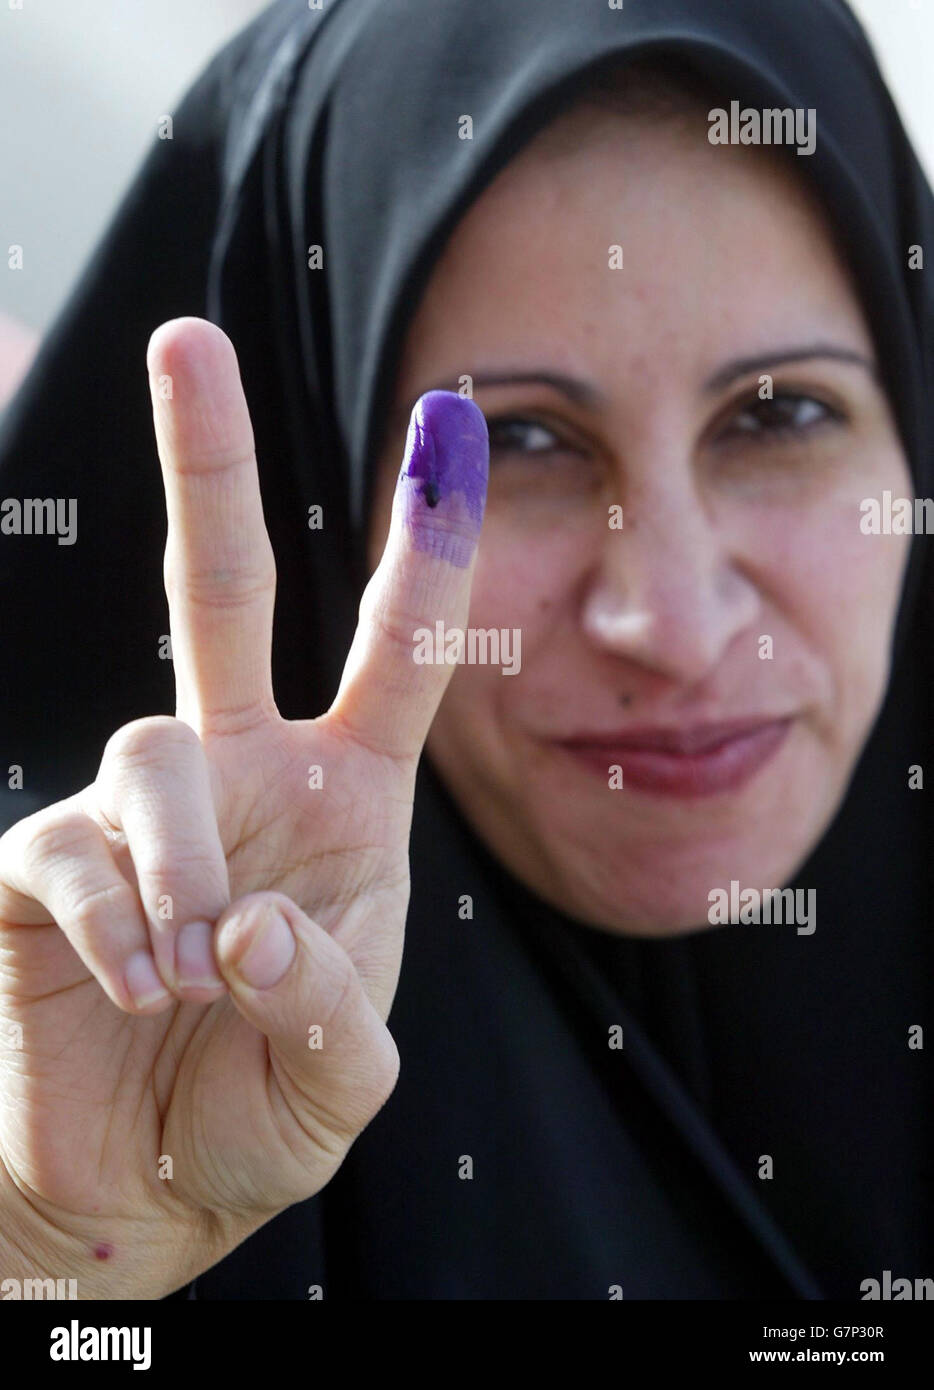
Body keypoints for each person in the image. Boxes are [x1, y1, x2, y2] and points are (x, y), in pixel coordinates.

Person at [0, 0, 931, 1301]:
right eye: (523, 442)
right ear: (312, 481)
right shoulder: (81, 1042)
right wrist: (59, 1262)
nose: (671, 623)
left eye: (777, 413)